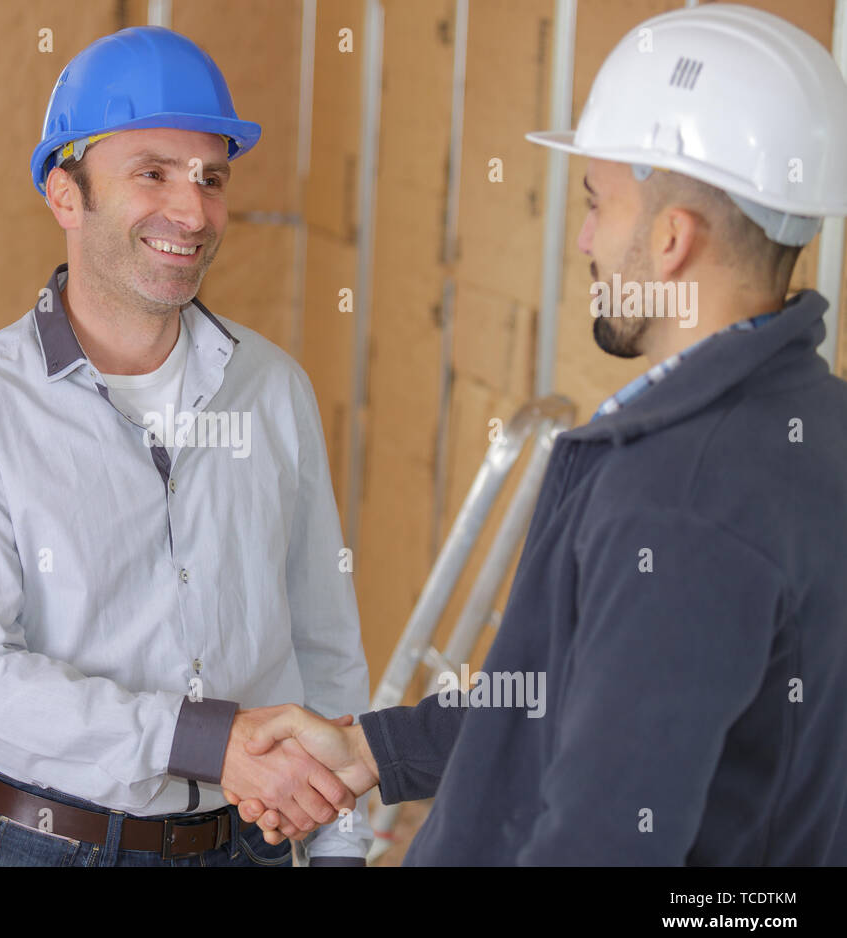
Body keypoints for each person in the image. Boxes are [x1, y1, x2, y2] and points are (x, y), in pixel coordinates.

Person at [233, 3, 847, 865]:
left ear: (671, 240)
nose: (587, 240)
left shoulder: (680, 497)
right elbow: (588, 689)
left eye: (598, 206)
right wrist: (374, 750)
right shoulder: (811, 427)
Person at [0, 25, 372, 866]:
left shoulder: (273, 389)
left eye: (211, 178)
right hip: (60, 848)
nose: (193, 212)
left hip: (251, 846)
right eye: (152, 172)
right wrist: (205, 741)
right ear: (65, 194)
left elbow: (322, 638)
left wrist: (340, 844)